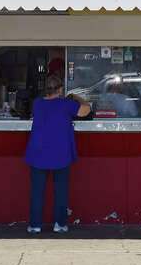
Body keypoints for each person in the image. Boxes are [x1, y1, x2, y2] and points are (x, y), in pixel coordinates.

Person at [24, 74, 91, 233]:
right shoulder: (66, 105)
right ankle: (59, 224)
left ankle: (34, 226)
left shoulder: (37, 103)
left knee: (37, 191)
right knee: (60, 191)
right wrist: (76, 97)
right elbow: (86, 110)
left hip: (38, 152)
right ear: (60, 90)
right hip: (60, 152)